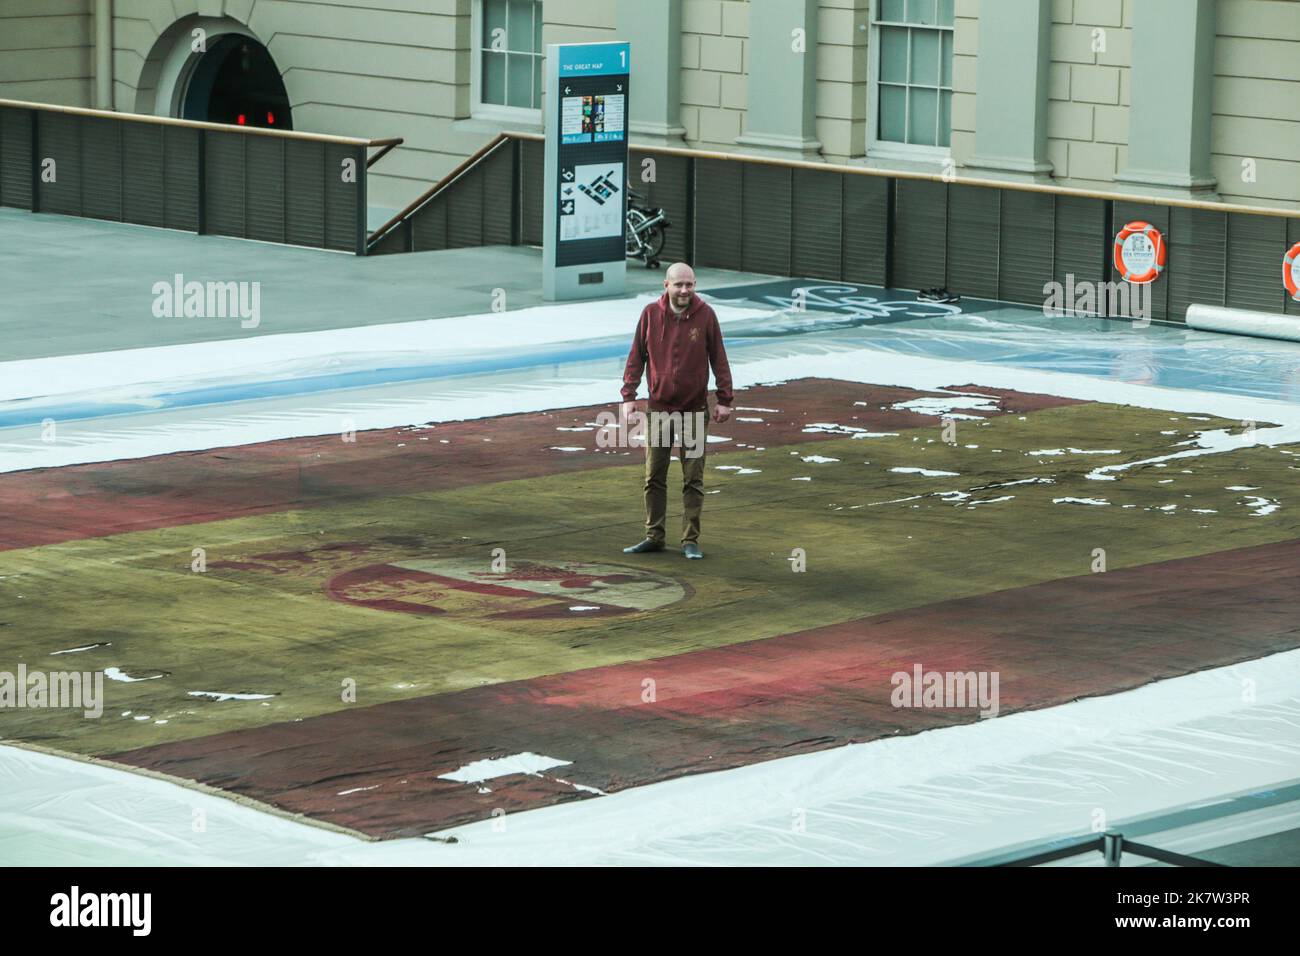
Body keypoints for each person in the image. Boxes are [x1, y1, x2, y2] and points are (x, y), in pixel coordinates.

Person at [620, 262, 733, 559]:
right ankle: (653, 535)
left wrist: (725, 398)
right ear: (666, 285)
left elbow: (719, 358)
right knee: (653, 476)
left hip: (693, 411)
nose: (685, 290)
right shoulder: (650, 314)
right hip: (658, 410)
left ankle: (689, 540)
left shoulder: (706, 315)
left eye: (690, 285)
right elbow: (636, 357)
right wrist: (628, 395)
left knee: (692, 477)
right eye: (679, 284)